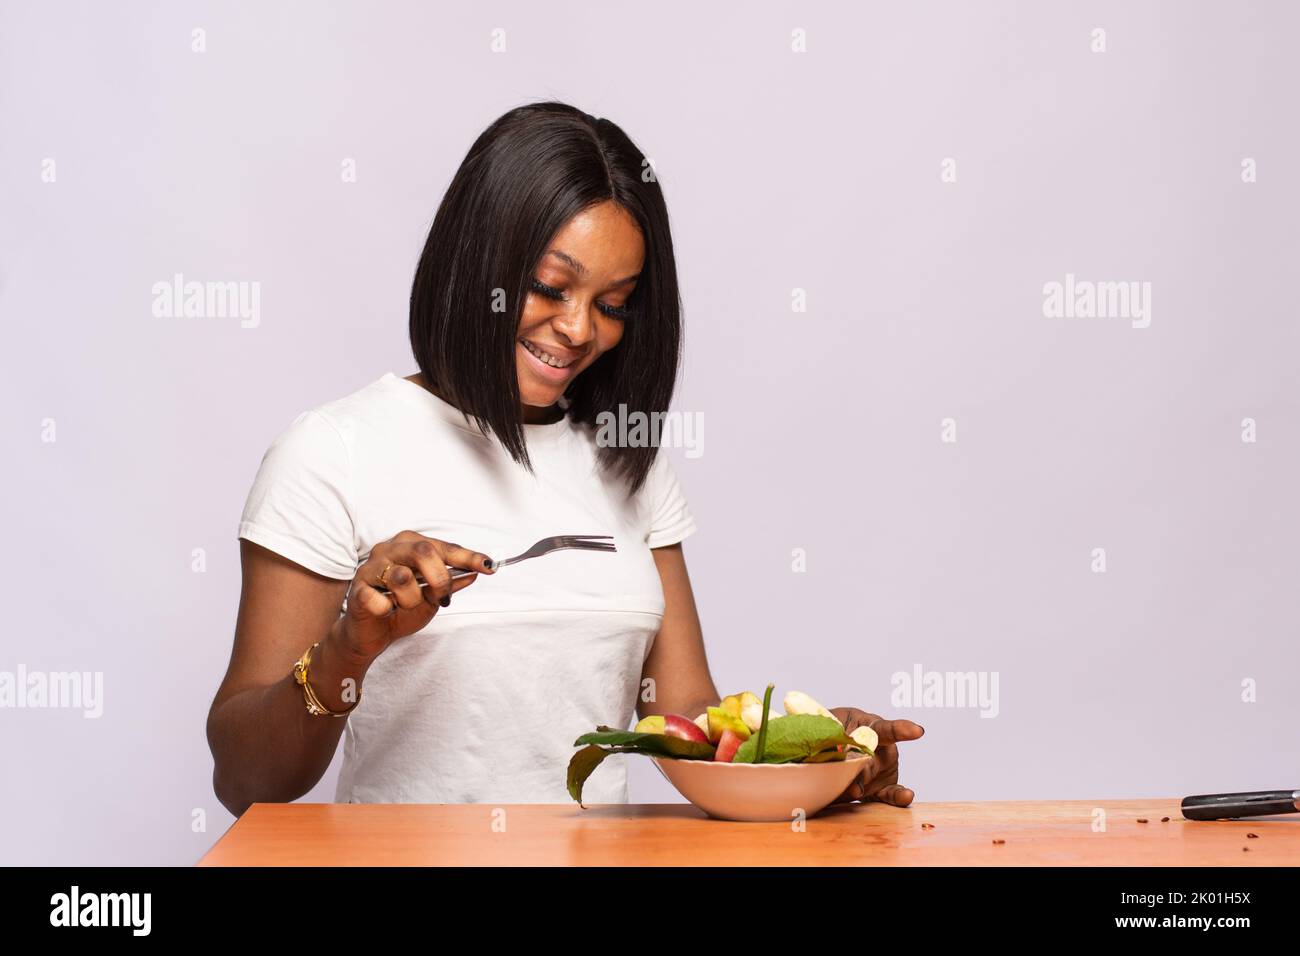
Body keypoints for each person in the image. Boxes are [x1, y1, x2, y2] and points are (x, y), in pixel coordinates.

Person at [206, 101, 923, 816]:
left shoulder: (627, 458)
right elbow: (246, 781)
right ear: (476, 263)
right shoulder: (334, 452)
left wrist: (819, 755)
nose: (579, 329)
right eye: (550, 287)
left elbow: (686, 725)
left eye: (613, 303)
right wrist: (346, 651)